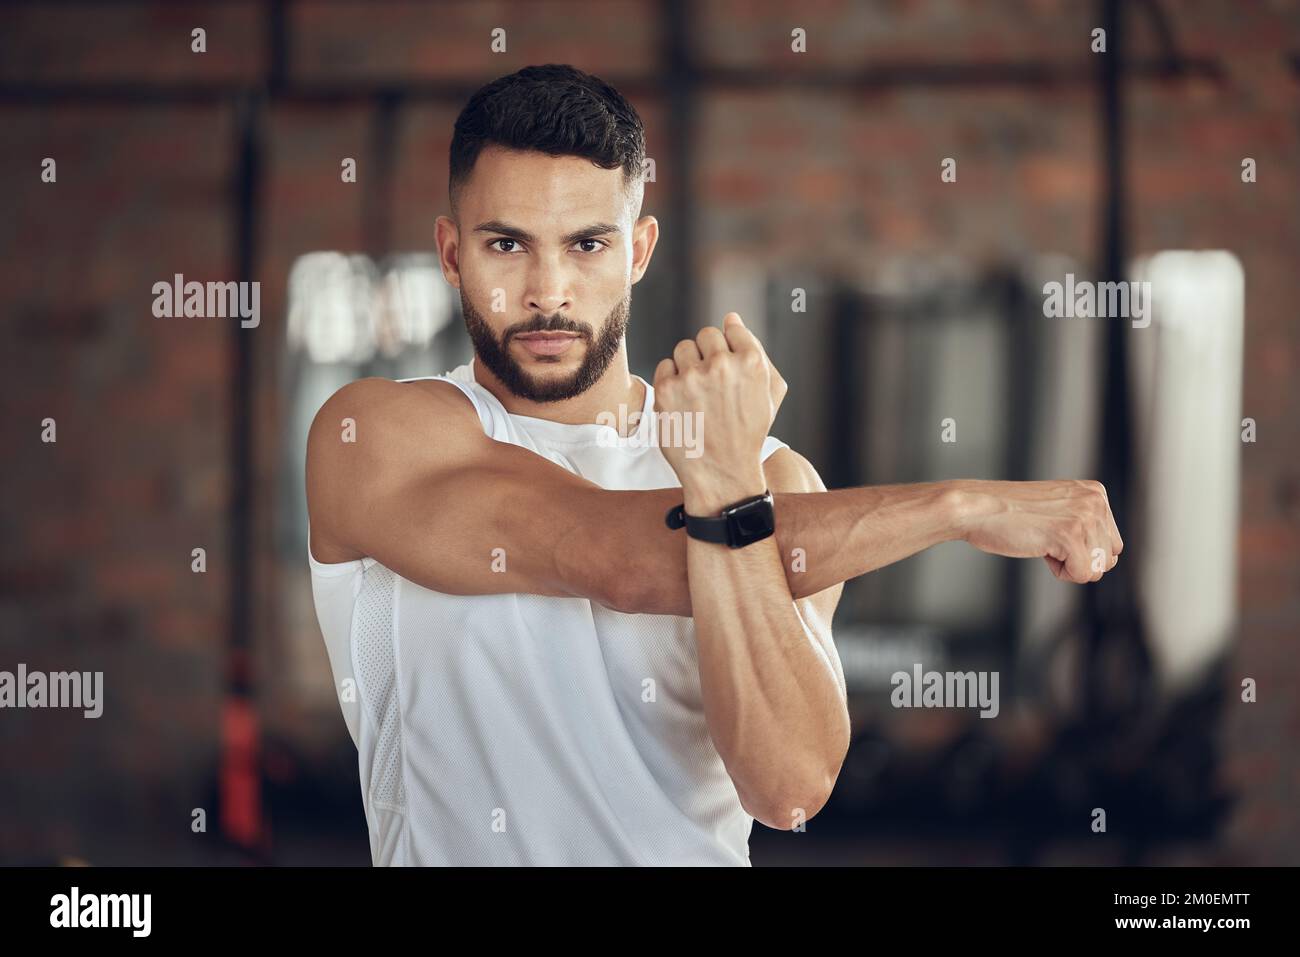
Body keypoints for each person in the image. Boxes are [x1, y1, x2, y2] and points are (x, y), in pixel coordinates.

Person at [305, 64, 1123, 866]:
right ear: (452, 253)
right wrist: (958, 507)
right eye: (506, 244)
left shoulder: (774, 477)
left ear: (639, 250)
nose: (547, 290)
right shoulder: (373, 438)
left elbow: (791, 790)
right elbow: (617, 558)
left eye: (587, 243)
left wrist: (731, 479)